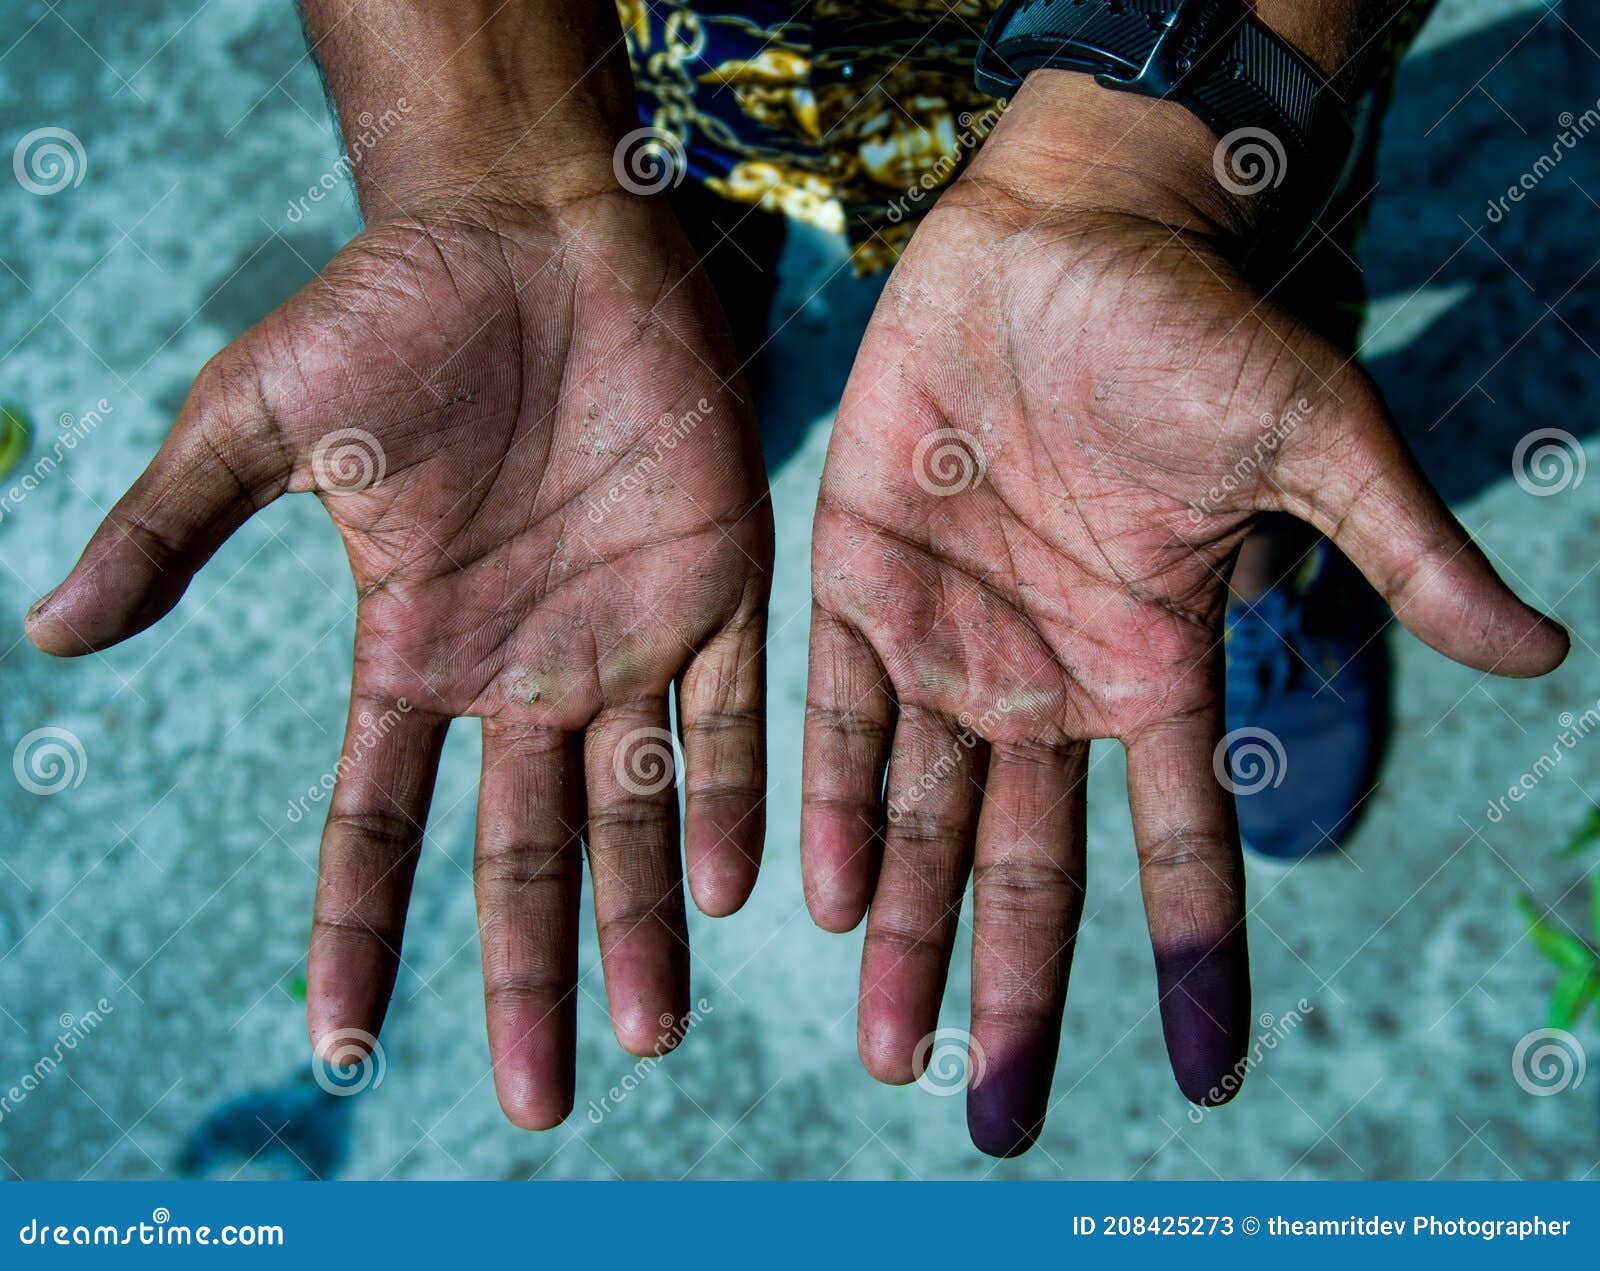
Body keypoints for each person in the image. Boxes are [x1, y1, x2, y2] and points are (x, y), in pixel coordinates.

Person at [24, 0, 1567, 1158]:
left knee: (1197, 394)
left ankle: (1240, 576)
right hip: (674, 48)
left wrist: (1134, 164)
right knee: (674, 329)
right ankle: (647, 290)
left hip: (1182, 47)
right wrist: (491, 158)